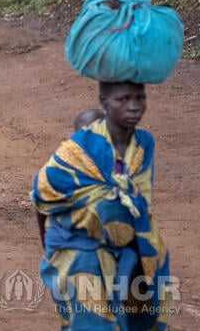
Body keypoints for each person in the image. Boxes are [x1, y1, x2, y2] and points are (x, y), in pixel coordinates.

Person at [32, 81, 172, 330]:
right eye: (123, 100)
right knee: (91, 321)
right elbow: (42, 197)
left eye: (140, 98)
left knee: (140, 313)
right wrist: (49, 243)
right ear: (104, 102)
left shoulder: (143, 145)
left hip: (130, 247)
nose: (133, 107)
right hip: (80, 250)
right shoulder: (73, 155)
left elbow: (141, 202)